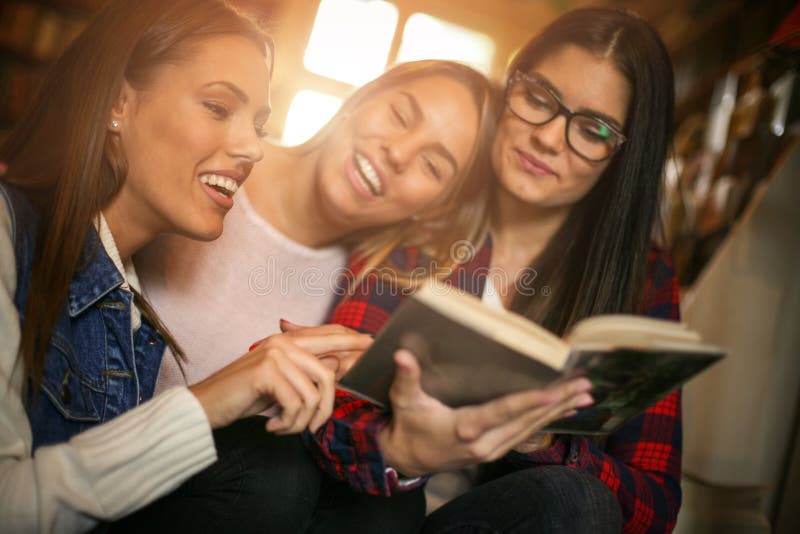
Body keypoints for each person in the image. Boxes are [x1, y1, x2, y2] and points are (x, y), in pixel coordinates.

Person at [0, 1, 369, 531]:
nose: (251, 149)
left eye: (258, 127)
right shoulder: (8, 232)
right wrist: (210, 402)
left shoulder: (129, 301)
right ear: (118, 103)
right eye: (218, 107)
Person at [312, 7, 681, 533]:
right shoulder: (427, 201)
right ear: (512, 83)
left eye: (593, 130)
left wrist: (545, 442)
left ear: (624, 156)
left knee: (577, 500)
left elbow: (655, 509)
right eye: (538, 98)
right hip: (370, 510)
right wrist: (404, 447)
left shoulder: (645, 279)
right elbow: (334, 409)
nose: (550, 138)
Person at [124, 59, 499, 533]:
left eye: (432, 165)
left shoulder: (372, 302)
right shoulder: (205, 167)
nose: (399, 152)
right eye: (401, 115)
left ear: (435, 207)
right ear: (362, 97)